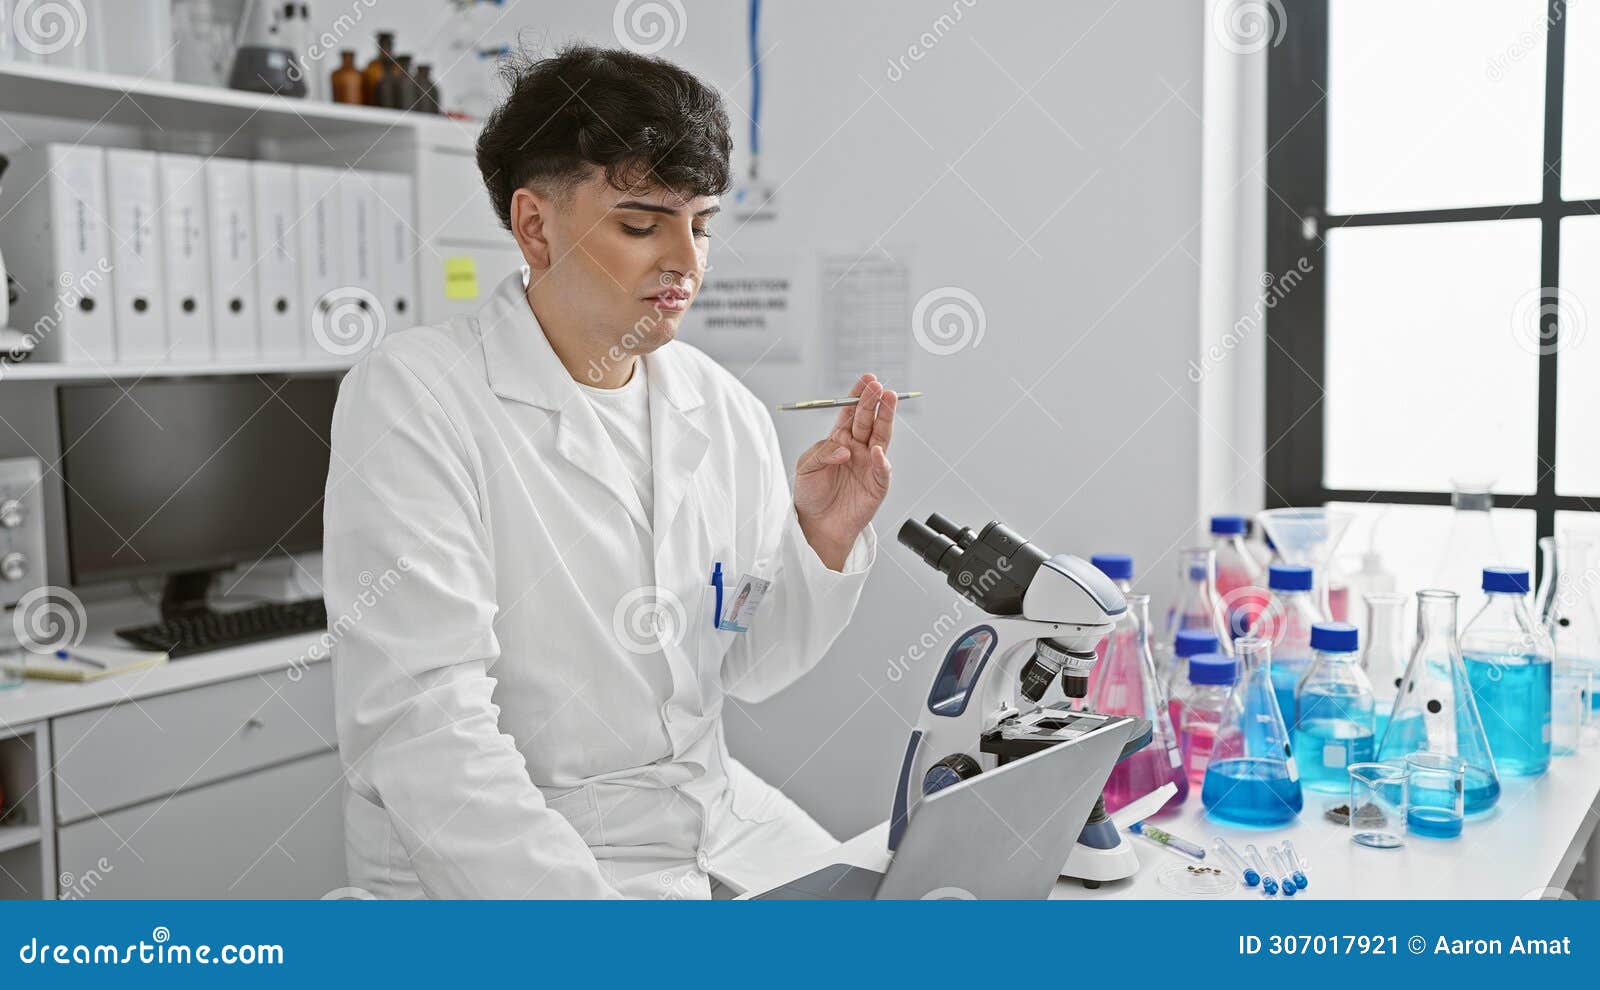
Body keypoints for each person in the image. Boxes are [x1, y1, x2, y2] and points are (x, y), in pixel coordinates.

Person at [322, 44, 897, 898]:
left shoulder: (721, 407)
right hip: (517, 866)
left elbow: (751, 668)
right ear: (533, 224)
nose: (686, 263)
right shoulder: (417, 395)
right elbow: (425, 726)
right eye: (641, 223)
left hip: (715, 820)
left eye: (699, 223)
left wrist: (820, 538)